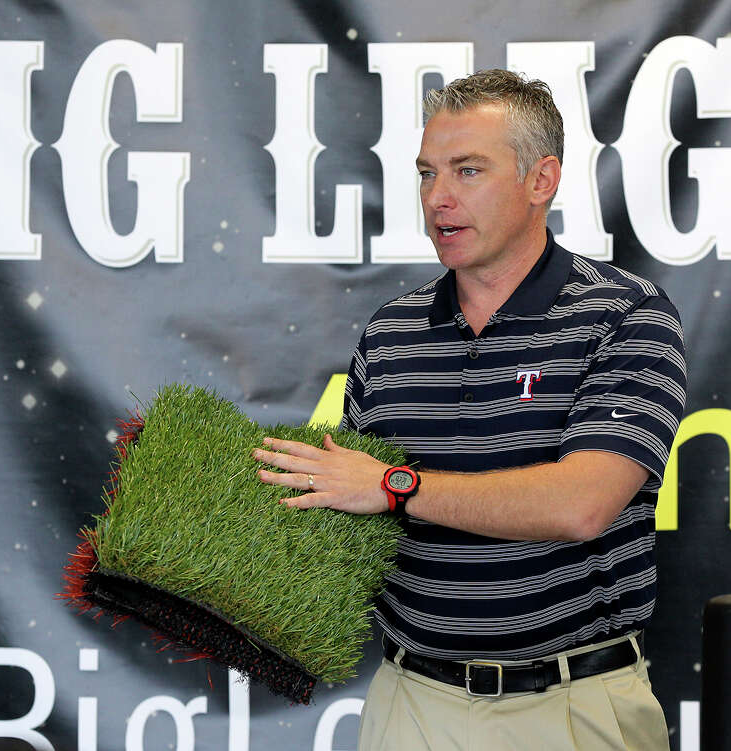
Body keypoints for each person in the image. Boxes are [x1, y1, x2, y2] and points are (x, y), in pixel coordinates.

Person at [253, 69, 686, 751]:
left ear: (541, 180)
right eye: (427, 174)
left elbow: (584, 504)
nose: (438, 198)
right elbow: (349, 527)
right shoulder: (388, 333)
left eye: (468, 170)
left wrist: (395, 486)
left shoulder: (626, 314)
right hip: (413, 705)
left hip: (574, 708)